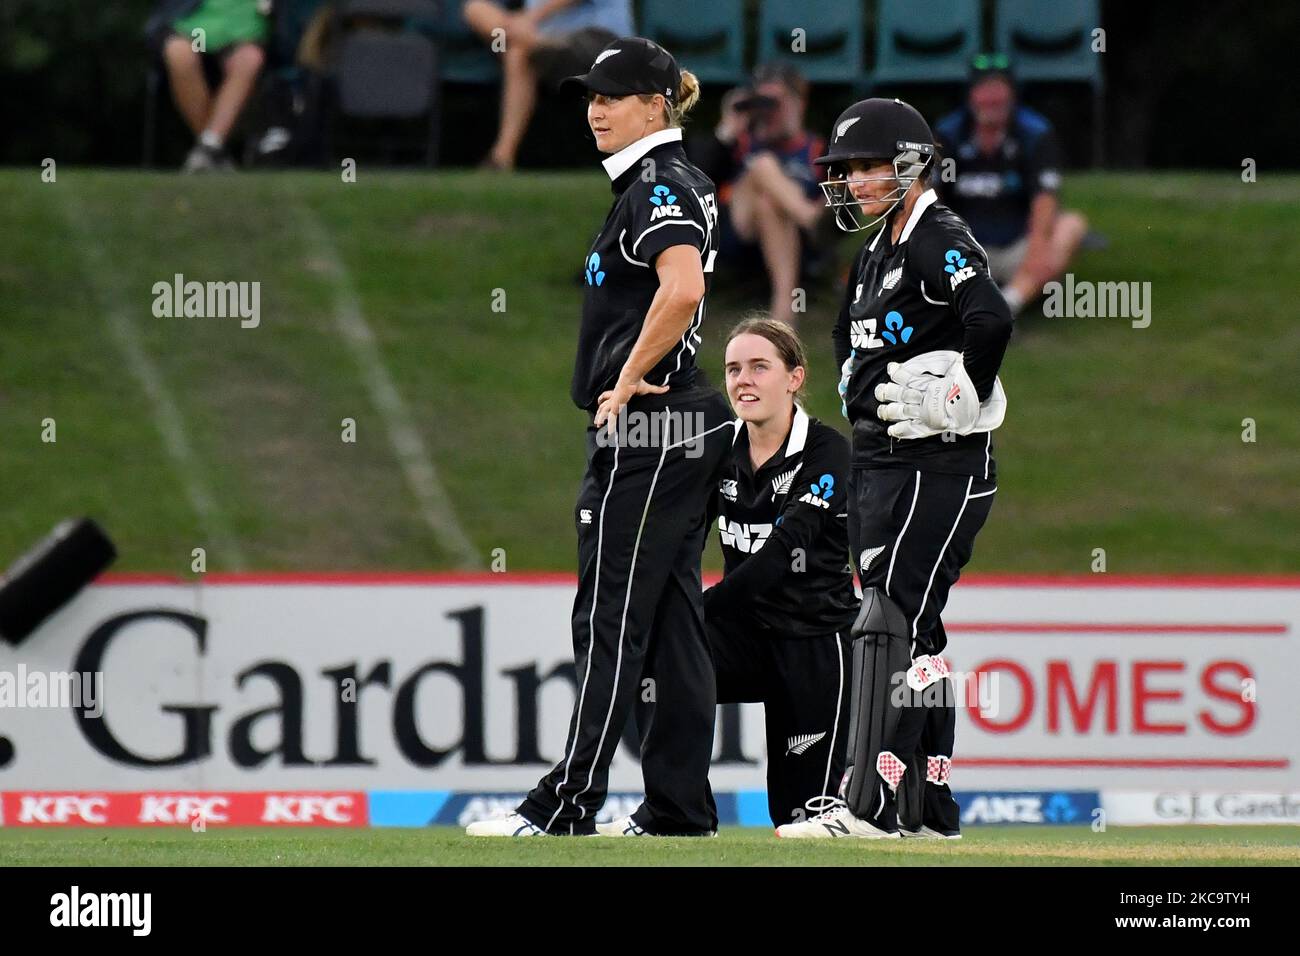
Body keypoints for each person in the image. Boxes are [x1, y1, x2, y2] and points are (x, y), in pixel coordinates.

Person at [467, 37, 733, 837]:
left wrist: (623, 381)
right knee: (676, 620)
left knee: (611, 616)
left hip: (652, 426)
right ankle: (679, 810)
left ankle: (568, 803)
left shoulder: (656, 183)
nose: (594, 110)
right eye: (590, 96)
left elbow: (681, 288)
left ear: (656, 106)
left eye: (612, 96)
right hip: (684, 420)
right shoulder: (665, 182)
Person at [776, 98, 1012, 839]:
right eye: (842, 172)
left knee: (886, 621)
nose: (850, 184)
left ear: (909, 165)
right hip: (882, 460)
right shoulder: (879, 248)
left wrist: (962, 390)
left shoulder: (936, 235)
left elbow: (991, 317)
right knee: (921, 632)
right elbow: (852, 338)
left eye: (863, 169)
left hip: (935, 464)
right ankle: (928, 805)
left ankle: (866, 806)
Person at [681, 318, 860, 830]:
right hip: (742, 636)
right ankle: (682, 812)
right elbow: (677, 532)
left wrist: (698, 610)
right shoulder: (718, 448)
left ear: (794, 378)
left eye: (760, 367)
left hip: (813, 639)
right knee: (664, 663)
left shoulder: (828, 451)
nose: (743, 380)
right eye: (734, 369)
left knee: (798, 820)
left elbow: (780, 557)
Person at [933, 55, 1088, 315]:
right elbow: (930, 196)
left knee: (1071, 226)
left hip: (1018, 248)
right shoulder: (949, 134)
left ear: (1013, 95)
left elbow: (1045, 197)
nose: (992, 99)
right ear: (971, 95)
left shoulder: (1034, 133)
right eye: (984, 90)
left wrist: (1039, 246)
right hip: (963, 250)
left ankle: (1007, 307)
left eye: (999, 90)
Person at [690, 64, 828, 326]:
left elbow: (843, 206)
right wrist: (728, 128)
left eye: (775, 103)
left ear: (799, 104)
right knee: (762, 165)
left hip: (795, 240)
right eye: (761, 102)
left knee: (769, 202)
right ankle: (811, 219)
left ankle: (782, 312)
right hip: (736, 232)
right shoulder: (740, 144)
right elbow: (691, 183)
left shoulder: (817, 150)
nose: (767, 112)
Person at [462, 0, 634, 170]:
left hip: (598, 42)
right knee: (477, 9)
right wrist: (517, 25)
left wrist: (529, 19)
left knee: (519, 50)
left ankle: (502, 155)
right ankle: (501, 158)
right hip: (538, 39)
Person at [148, 0, 269, 172]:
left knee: (249, 59)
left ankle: (209, 147)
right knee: (180, 53)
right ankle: (212, 148)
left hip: (242, 32)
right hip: (199, 31)